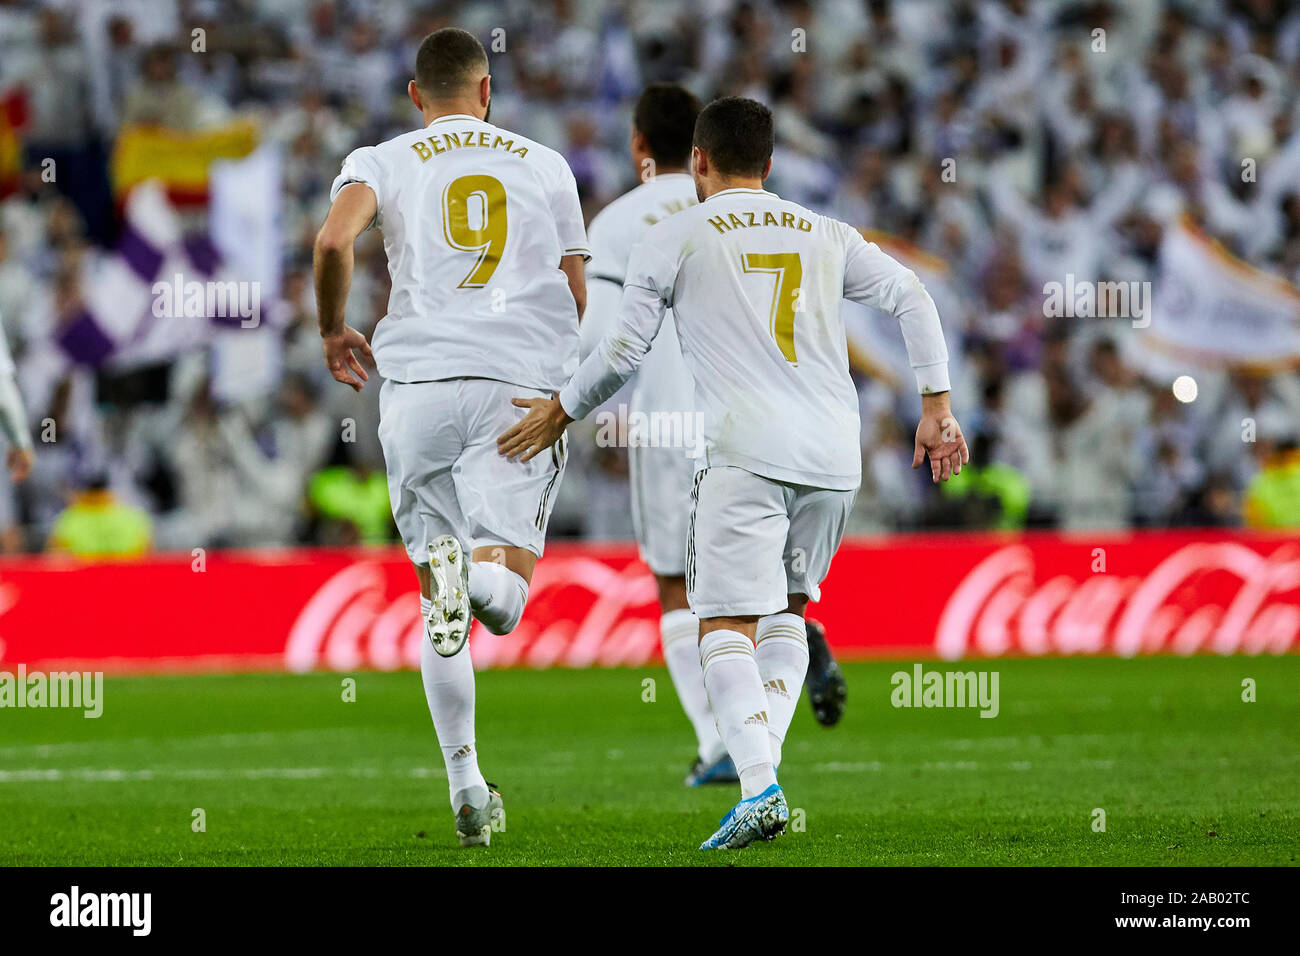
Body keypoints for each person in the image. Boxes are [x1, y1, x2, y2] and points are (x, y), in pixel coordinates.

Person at [499, 97, 966, 850]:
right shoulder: (824, 230)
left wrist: (561, 409)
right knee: (786, 614)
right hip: (833, 454)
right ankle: (763, 774)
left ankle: (756, 786)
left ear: (698, 163)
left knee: (720, 622)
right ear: (771, 165)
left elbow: (620, 355)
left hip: (745, 451)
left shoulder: (673, 235)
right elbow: (912, 294)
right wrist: (936, 405)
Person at [313, 28, 588, 848]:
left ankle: (467, 787)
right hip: (515, 386)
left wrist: (333, 328)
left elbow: (333, 241)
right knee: (501, 603)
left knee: (442, 603)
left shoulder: (384, 158)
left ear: (414, 97)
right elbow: (577, 290)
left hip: (415, 393)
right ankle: (472, 572)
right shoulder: (545, 164)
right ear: (487, 90)